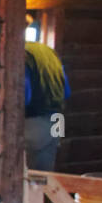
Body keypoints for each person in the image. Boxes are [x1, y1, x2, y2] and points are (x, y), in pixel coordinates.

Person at [23, 27, 69, 171]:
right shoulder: (49, 53)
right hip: (58, 119)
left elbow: (24, 95)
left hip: (35, 122)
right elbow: (66, 91)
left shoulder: (22, 55)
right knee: (46, 175)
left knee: (29, 177)